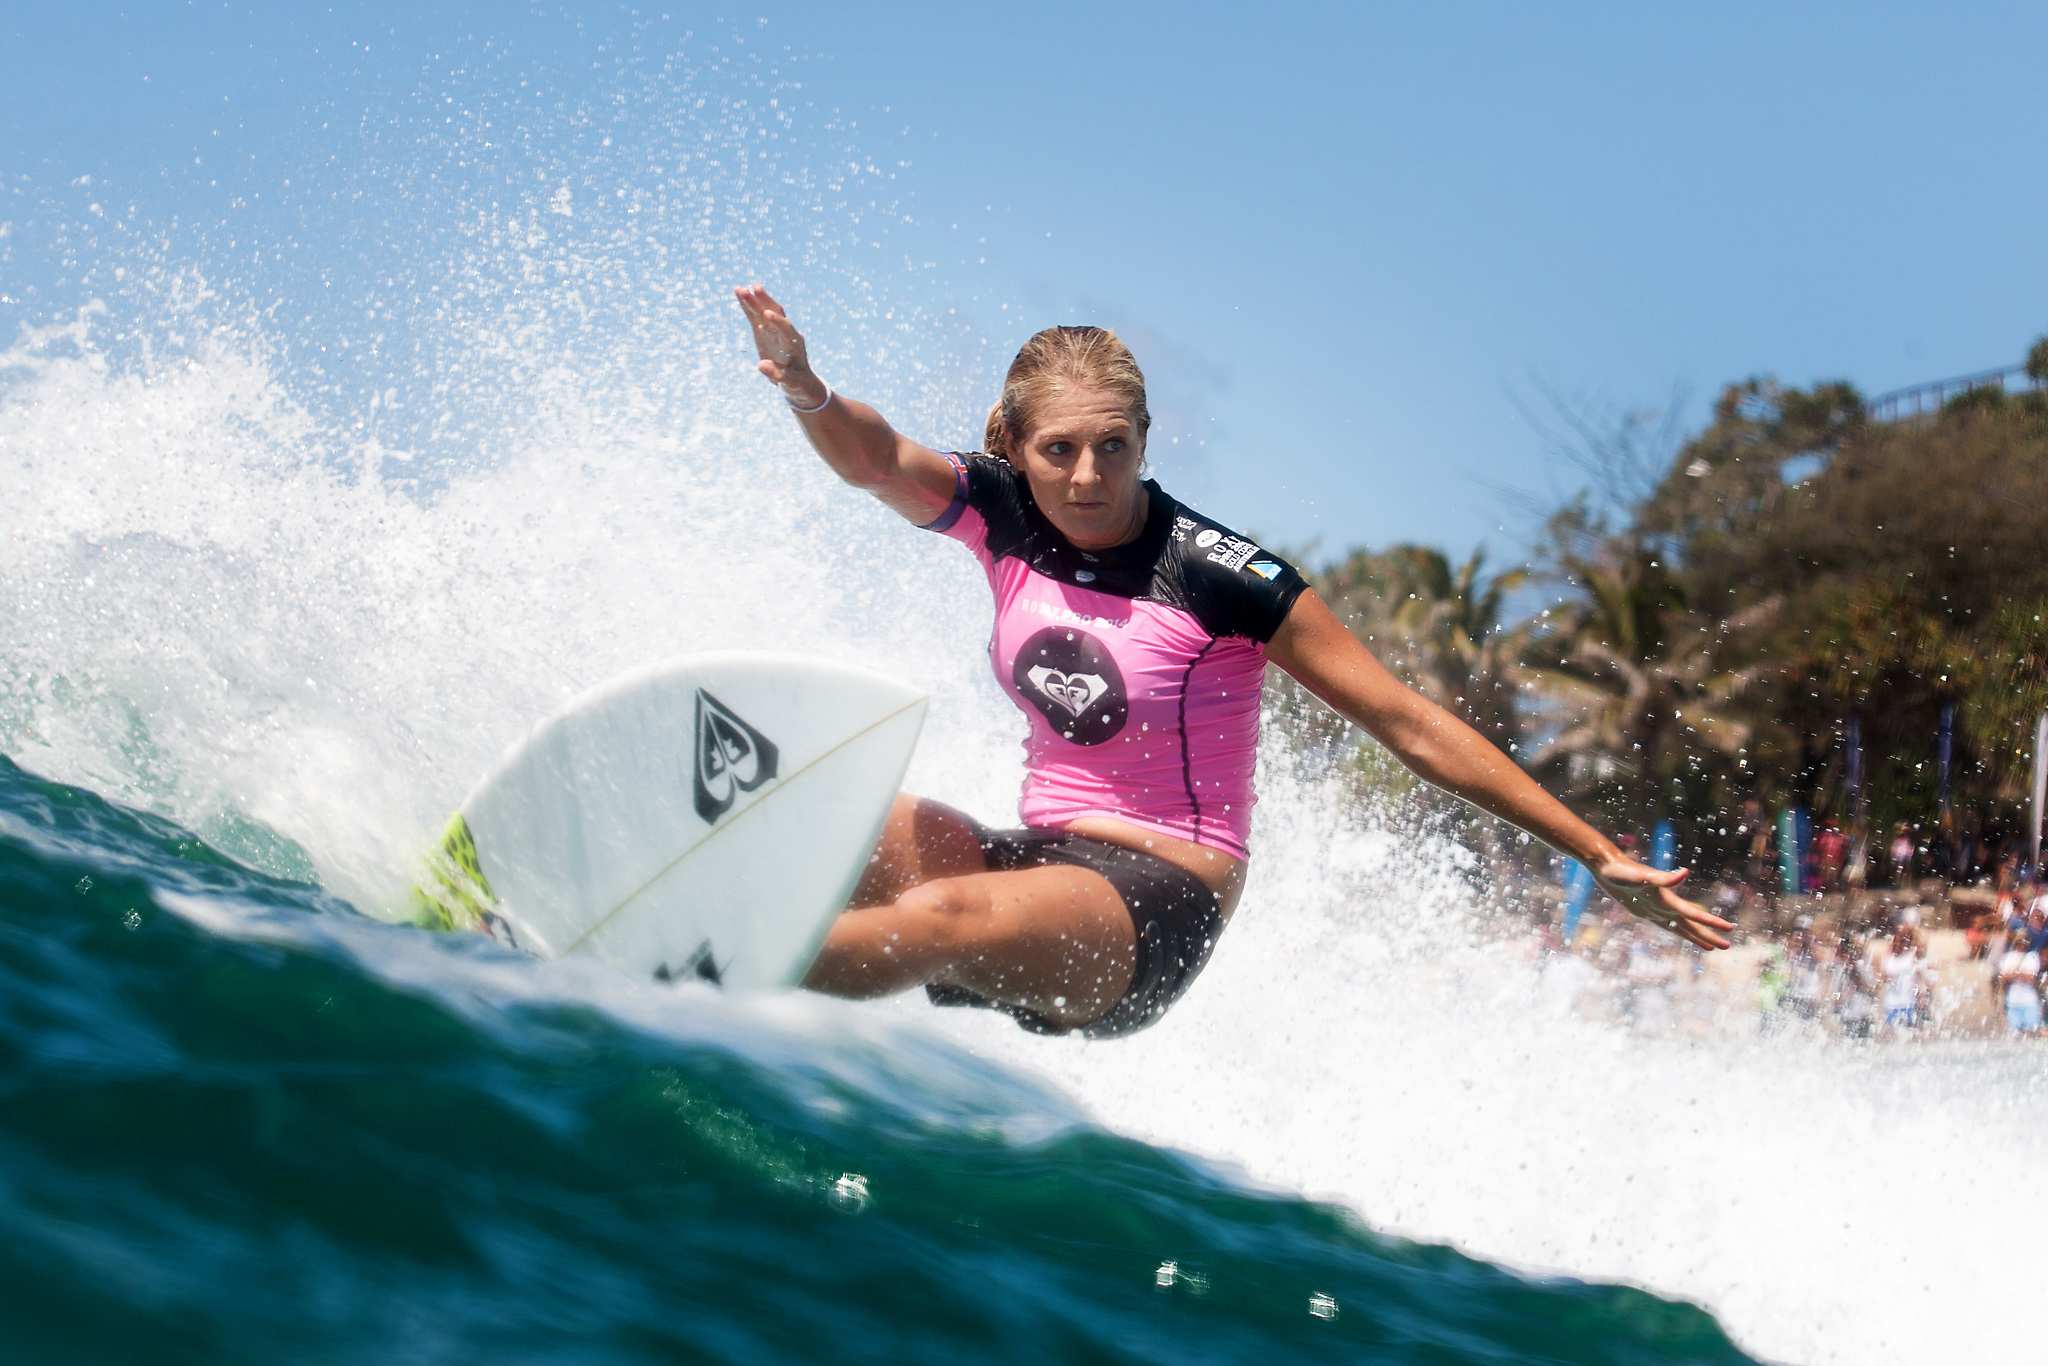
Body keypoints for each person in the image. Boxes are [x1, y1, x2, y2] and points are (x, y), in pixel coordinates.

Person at [733, 284, 1734, 1038]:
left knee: (937, 914)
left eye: (1113, 447)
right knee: (831, 817)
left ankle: (703, 966)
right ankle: (679, 903)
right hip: (1035, 865)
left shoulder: (1220, 575)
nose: (1087, 476)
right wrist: (809, 389)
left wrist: (1591, 850)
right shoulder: (996, 510)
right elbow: (873, 459)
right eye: (1060, 450)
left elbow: (1406, 720)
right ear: (1016, 445)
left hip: (1153, 909)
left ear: (1144, 441)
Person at [1994, 925, 2042, 1038]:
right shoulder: (2008, 957)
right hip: (2013, 1001)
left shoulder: (2032, 957)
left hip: (2030, 1002)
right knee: (2015, 1035)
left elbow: (2031, 978)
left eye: (2025, 940)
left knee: (2031, 1033)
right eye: (2021, 940)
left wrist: (2015, 974)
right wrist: (2021, 974)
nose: (2023, 943)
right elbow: (2004, 976)